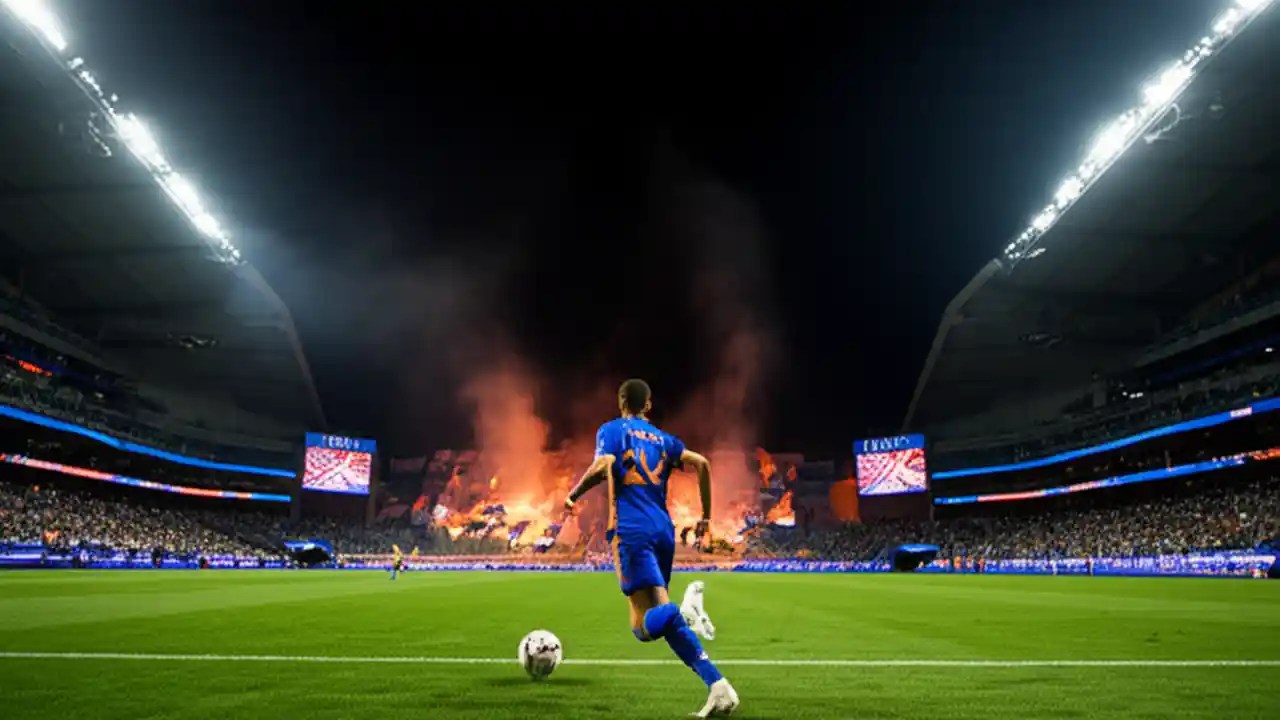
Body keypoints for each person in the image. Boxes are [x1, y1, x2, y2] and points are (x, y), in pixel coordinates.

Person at [564, 379, 737, 717]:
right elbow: (702, 463)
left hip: (632, 530)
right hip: (663, 530)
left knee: (643, 627)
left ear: (620, 402)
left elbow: (603, 466)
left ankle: (686, 613)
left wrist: (573, 494)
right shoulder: (664, 439)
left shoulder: (611, 430)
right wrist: (705, 518)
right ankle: (718, 687)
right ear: (648, 405)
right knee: (661, 618)